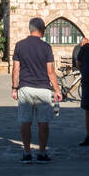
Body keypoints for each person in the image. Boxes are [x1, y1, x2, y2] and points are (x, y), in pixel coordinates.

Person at [11, 17, 61, 163]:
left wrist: (15, 88)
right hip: (43, 89)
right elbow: (50, 71)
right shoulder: (46, 47)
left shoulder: (20, 45)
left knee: (25, 122)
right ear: (42, 30)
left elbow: (16, 69)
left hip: (25, 88)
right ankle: (42, 152)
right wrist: (57, 90)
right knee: (43, 122)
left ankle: (26, 152)